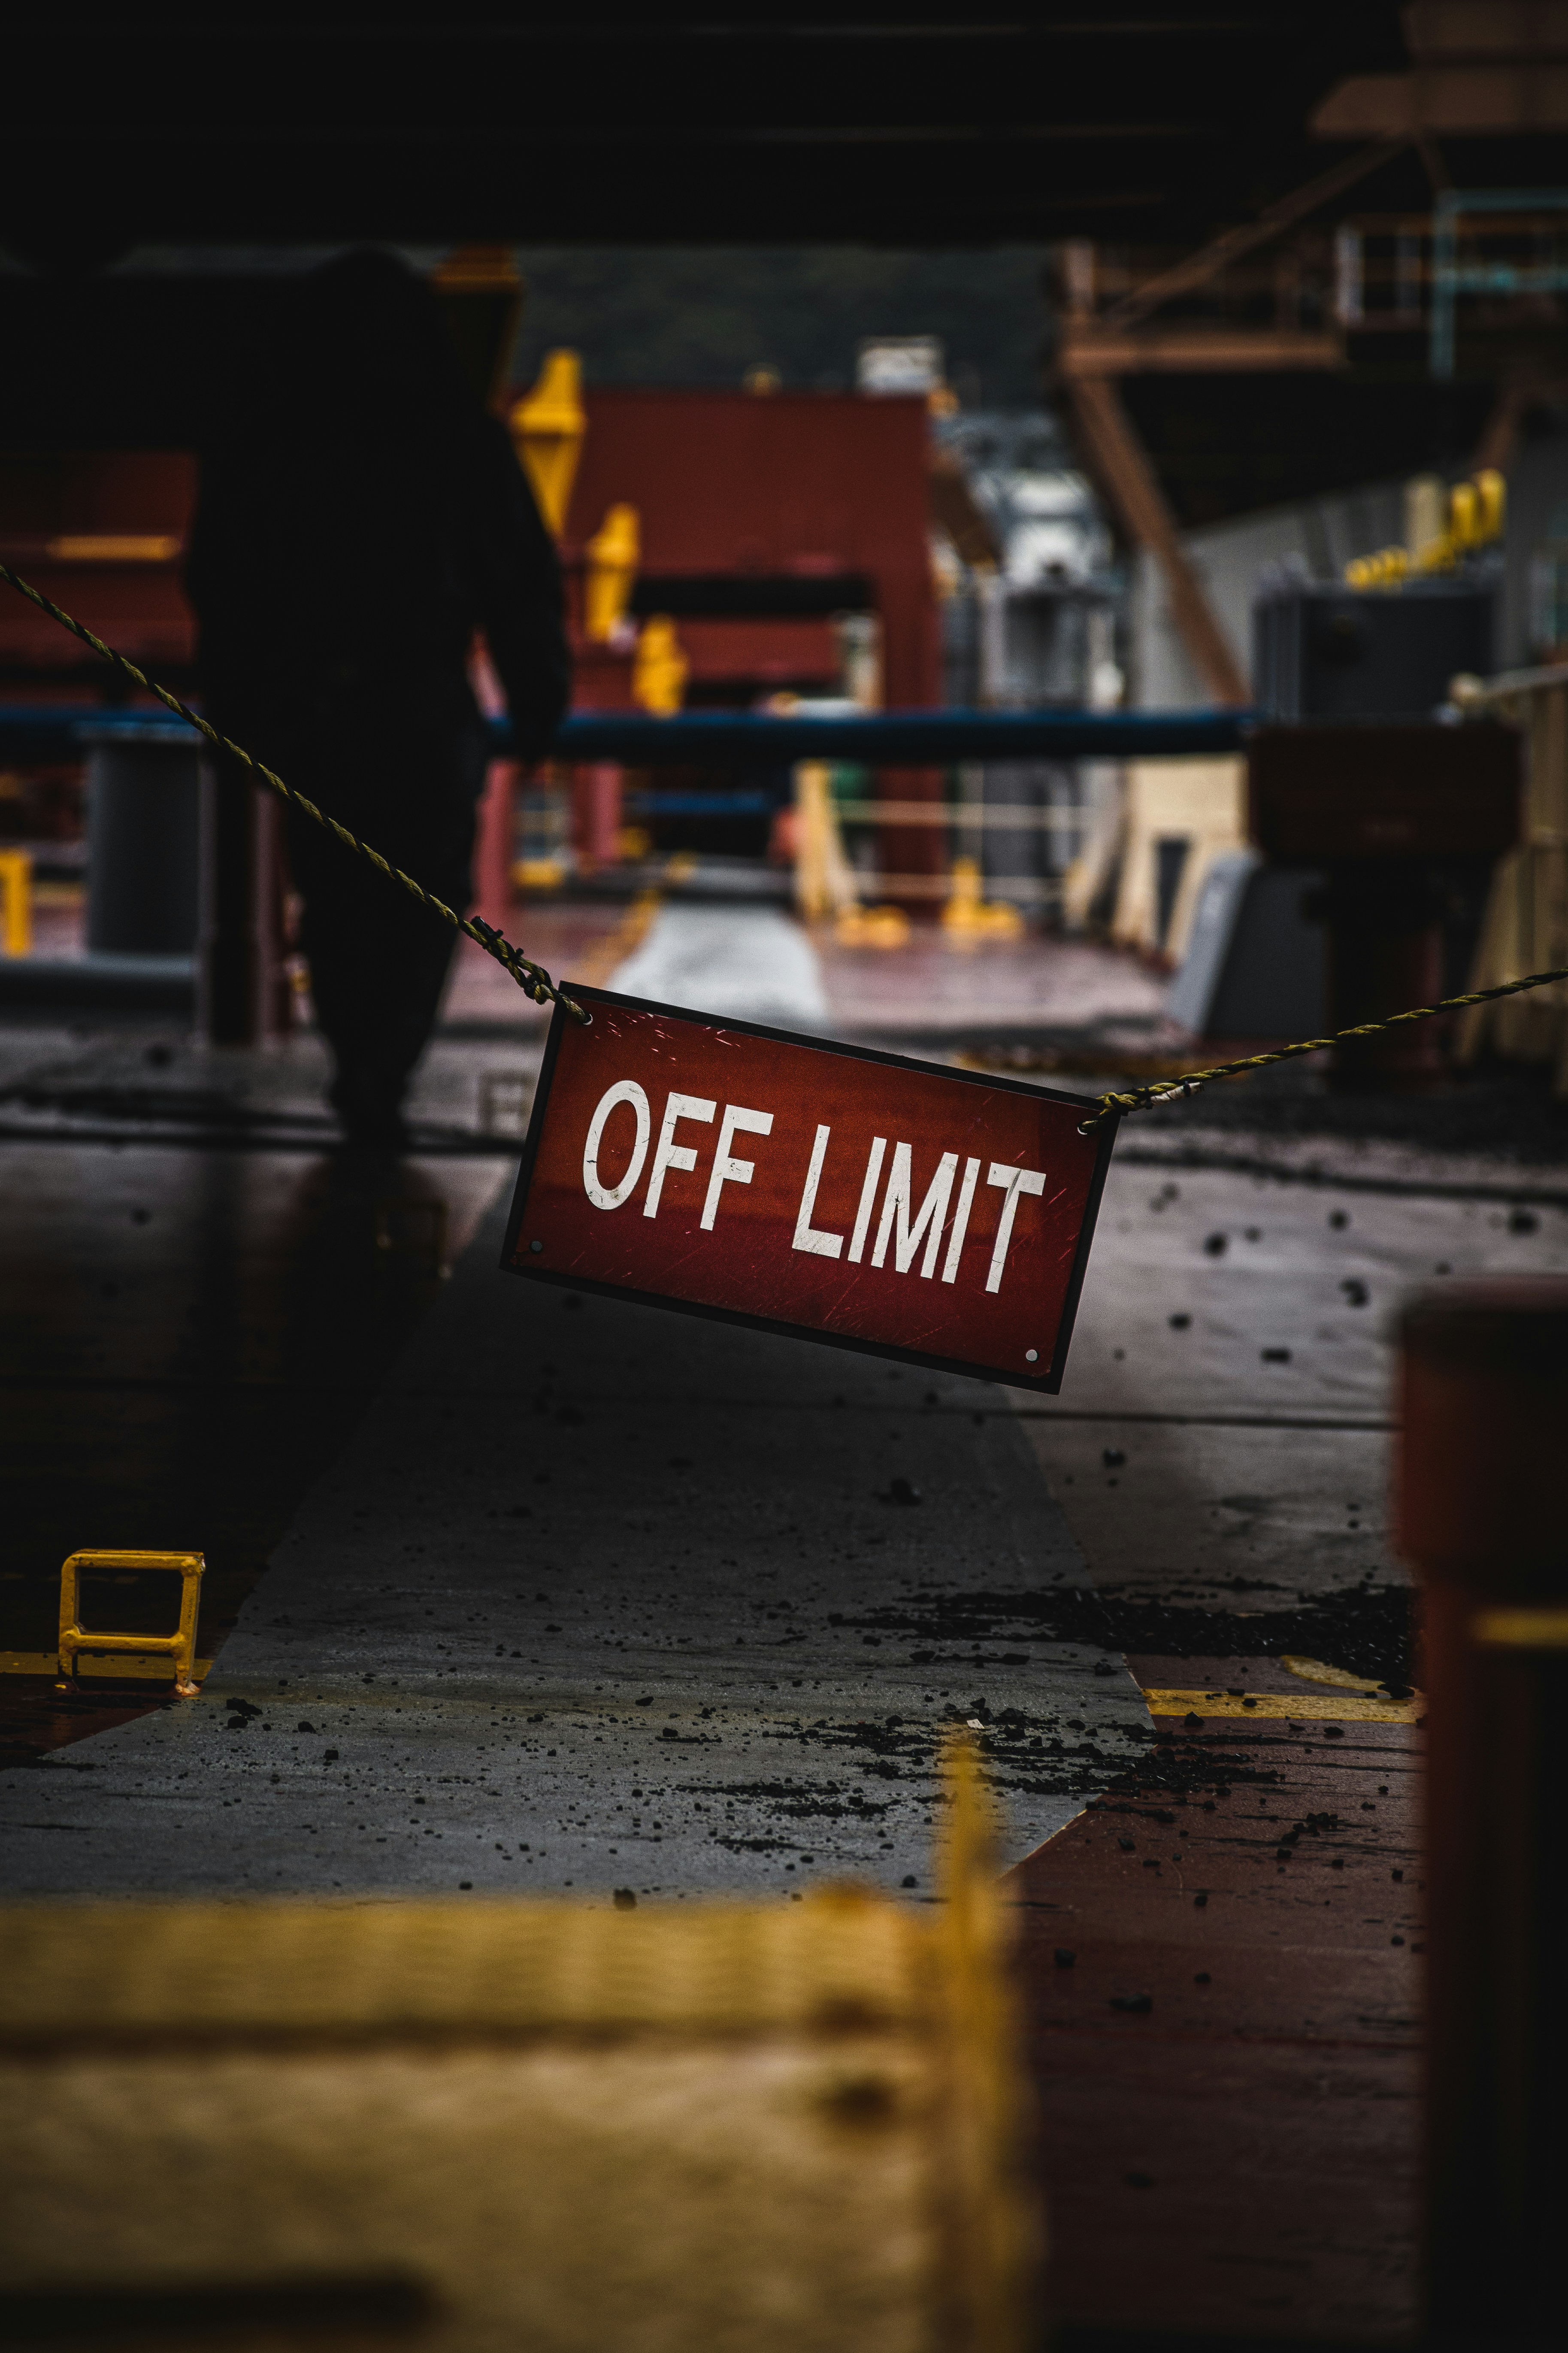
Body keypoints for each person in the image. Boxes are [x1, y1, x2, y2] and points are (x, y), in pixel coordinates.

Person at [188, 248, 568, 1142]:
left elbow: (224, 582)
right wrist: (539, 702)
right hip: (423, 710)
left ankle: (361, 1058)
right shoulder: (462, 440)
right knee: (426, 896)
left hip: (315, 714)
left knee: (333, 894)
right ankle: (384, 1066)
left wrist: (237, 710)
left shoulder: (273, 443)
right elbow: (520, 582)